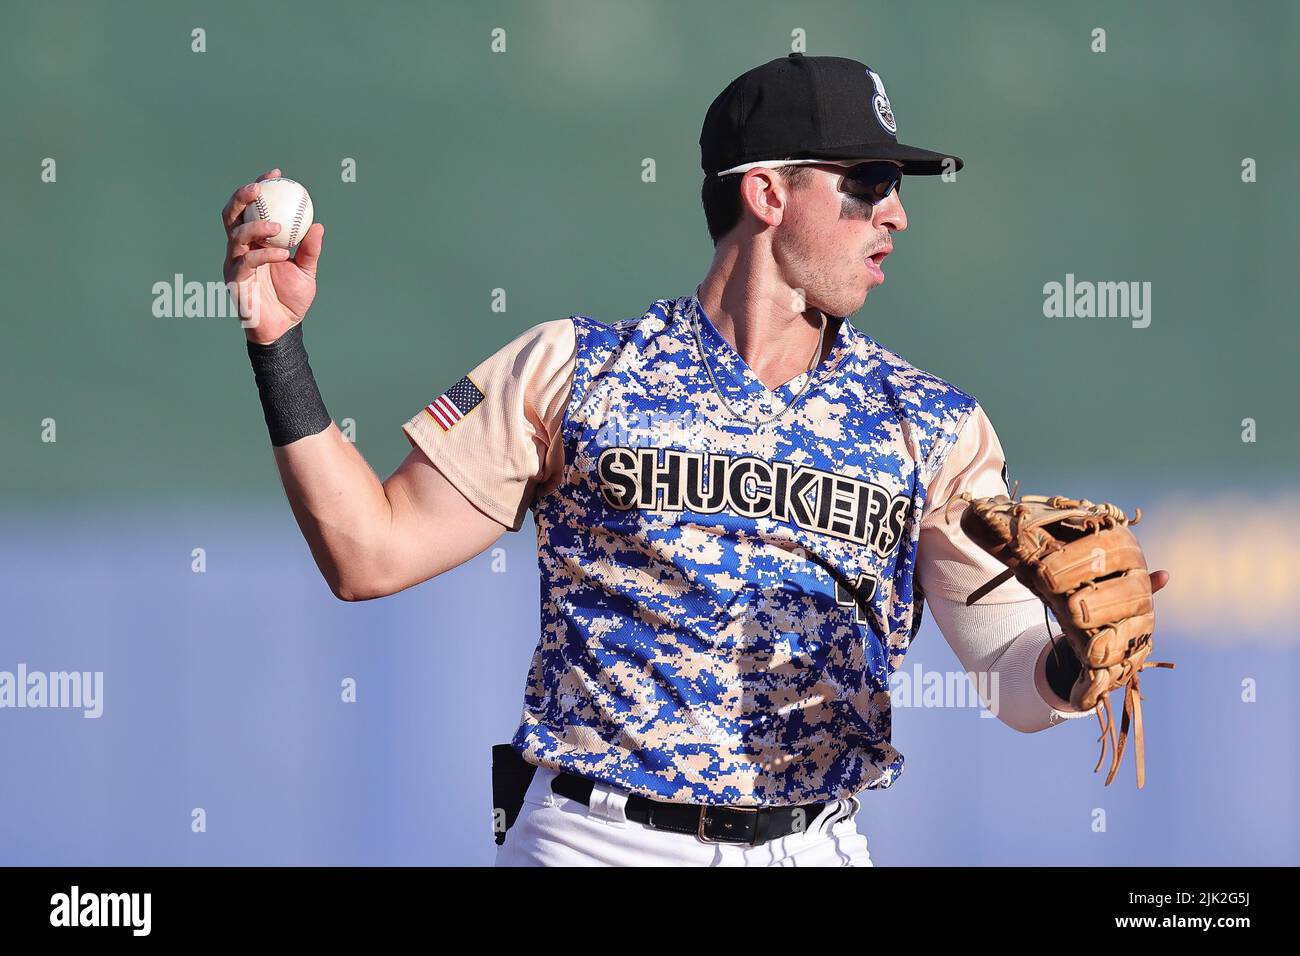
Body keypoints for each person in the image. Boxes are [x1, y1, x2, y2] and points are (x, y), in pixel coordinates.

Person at [219, 53, 1168, 867]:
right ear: (767, 192)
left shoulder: (932, 423)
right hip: (597, 840)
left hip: (815, 843)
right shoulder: (575, 370)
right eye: (868, 181)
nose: (896, 215)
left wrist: (1073, 666)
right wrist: (278, 347)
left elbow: (1011, 674)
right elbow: (368, 553)